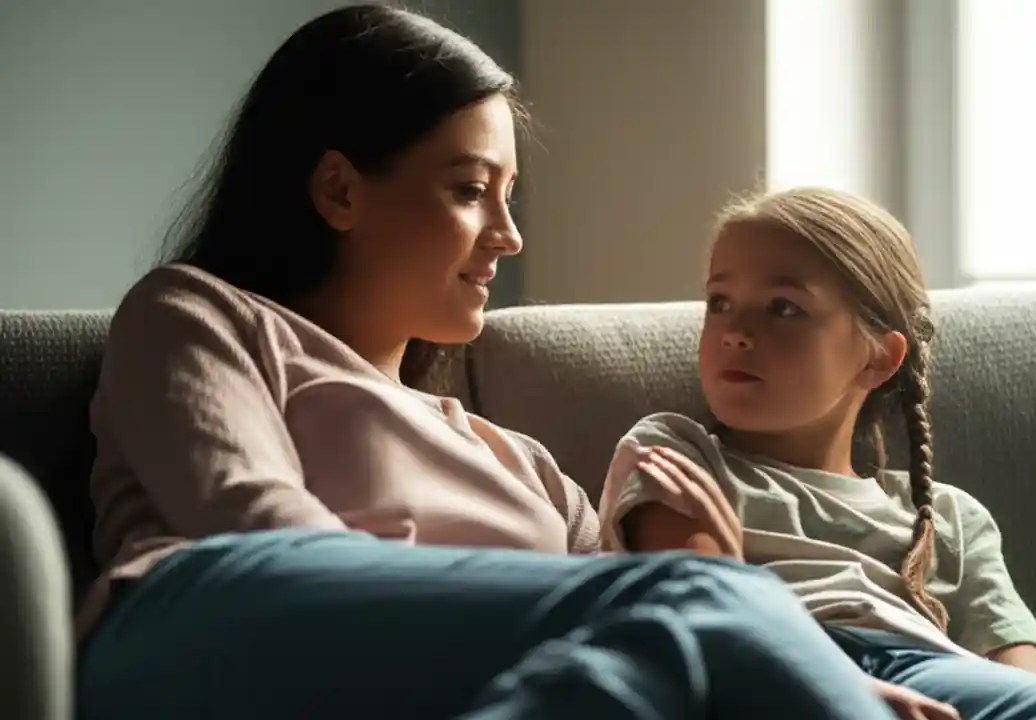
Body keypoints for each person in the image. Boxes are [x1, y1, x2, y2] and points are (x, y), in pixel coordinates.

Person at [74, 6, 914, 719]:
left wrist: (803, 665)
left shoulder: (519, 464)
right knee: (715, 603)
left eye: (508, 197)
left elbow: (661, 629)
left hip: (453, 681)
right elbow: (256, 532)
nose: (508, 236)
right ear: (339, 190)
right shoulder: (197, 313)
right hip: (209, 628)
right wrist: (736, 623)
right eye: (472, 190)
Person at [599, 187, 1036, 720]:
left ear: (878, 358)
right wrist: (839, 692)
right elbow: (708, 605)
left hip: (933, 678)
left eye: (783, 308)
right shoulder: (676, 450)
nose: (735, 332)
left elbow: (1028, 687)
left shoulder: (946, 517)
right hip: (769, 673)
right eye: (719, 301)